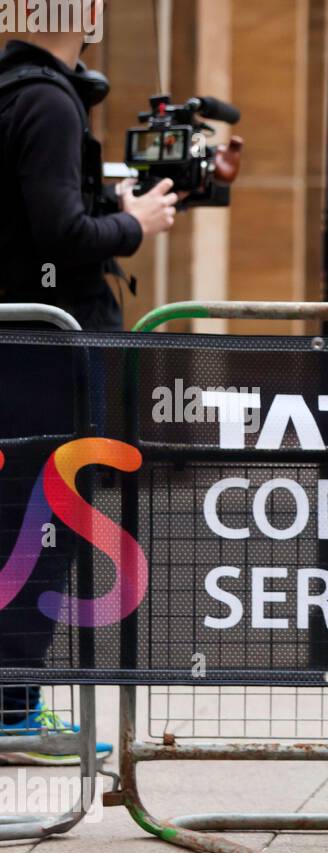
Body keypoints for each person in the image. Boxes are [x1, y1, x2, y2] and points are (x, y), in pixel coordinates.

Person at [0, 0, 178, 764]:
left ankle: (14, 704)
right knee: (43, 528)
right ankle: (12, 711)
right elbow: (61, 234)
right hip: (46, 357)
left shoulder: (23, 90)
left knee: (25, 525)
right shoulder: (45, 98)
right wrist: (136, 223)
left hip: (28, 352)